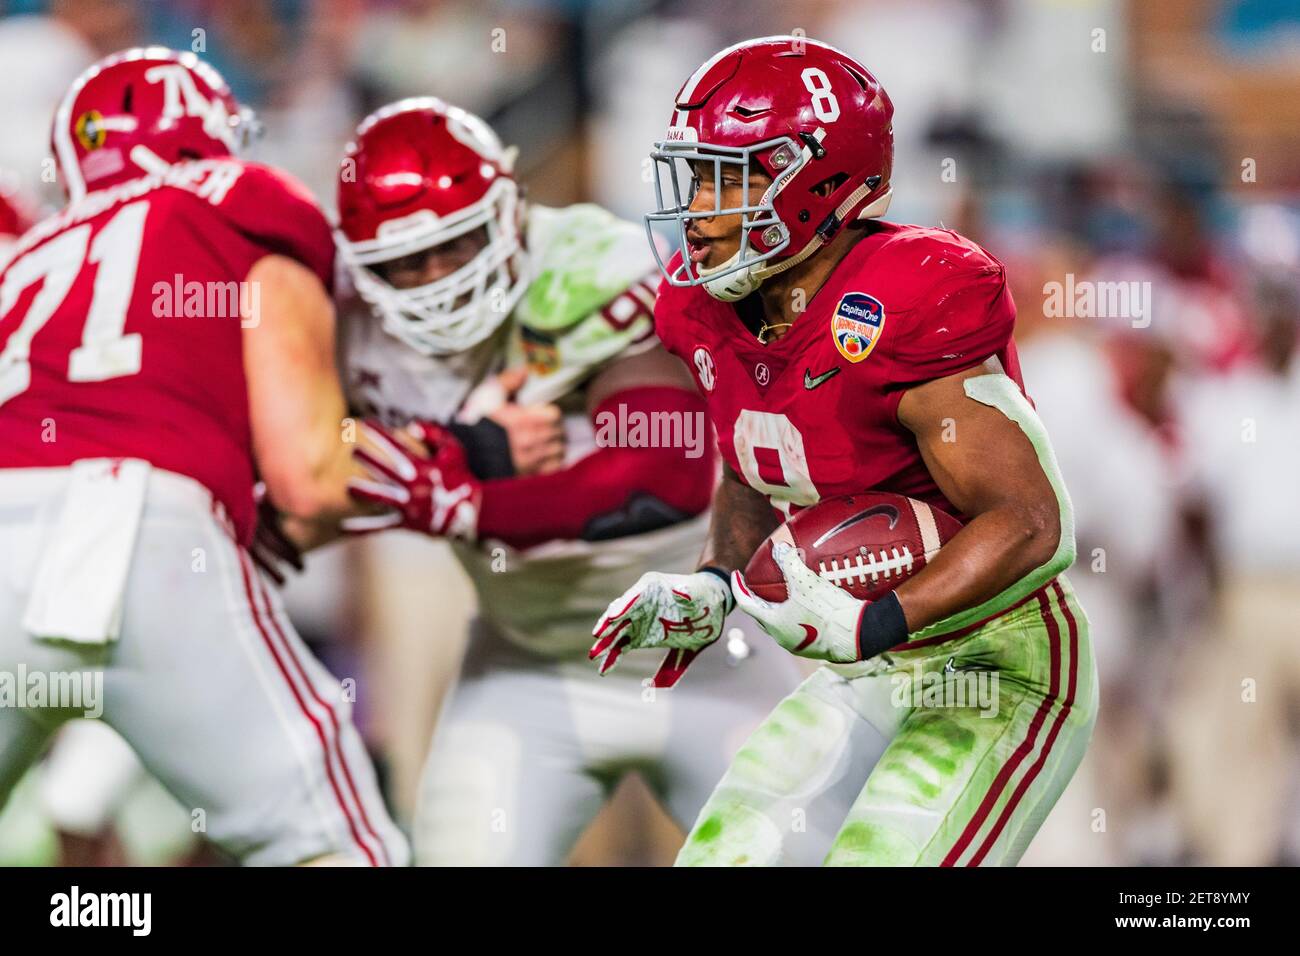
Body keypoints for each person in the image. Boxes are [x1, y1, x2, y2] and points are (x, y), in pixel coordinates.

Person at [592, 36, 1098, 866]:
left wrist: (878, 619)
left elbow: (1032, 522)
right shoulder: (701, 305)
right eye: (697, 174)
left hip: (995, 663)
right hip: (865, 669)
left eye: (732, 175)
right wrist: (718, 585)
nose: (700, 209)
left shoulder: (909, 293)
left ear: (816, 180)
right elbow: (754, 462)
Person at [328, 98, 809, 865]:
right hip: (526, 664)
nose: (433, 280)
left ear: (510, 210)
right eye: (402, 263)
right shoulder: (347, 323)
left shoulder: (591, 266)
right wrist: (461, 453)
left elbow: (659, 480)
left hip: (710, 654)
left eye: (453, 247)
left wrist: (455, 494)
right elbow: (300, 478)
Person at [0, 47, 406, 866]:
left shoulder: (27, 256)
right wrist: (448, 471)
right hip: (134, 529)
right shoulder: (240, 200)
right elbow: (309, 475)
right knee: (332, 846)